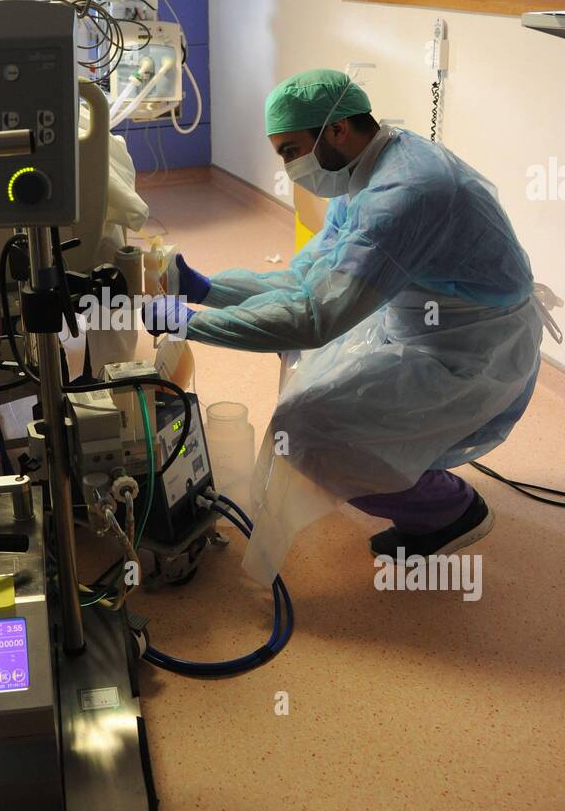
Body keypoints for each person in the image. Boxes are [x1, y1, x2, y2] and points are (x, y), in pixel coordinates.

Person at [143, 68, 557, 570]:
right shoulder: (367, 169)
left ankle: (447, 509)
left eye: (291, 151)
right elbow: (308, 280)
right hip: (415, 320)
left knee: (308, 430)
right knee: (309, 372)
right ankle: (394, 467)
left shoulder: (405, 195)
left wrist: (186, 323)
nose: (291, 167)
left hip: (471, 349)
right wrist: (208, 289)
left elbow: (315, 317)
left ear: (336, 130)